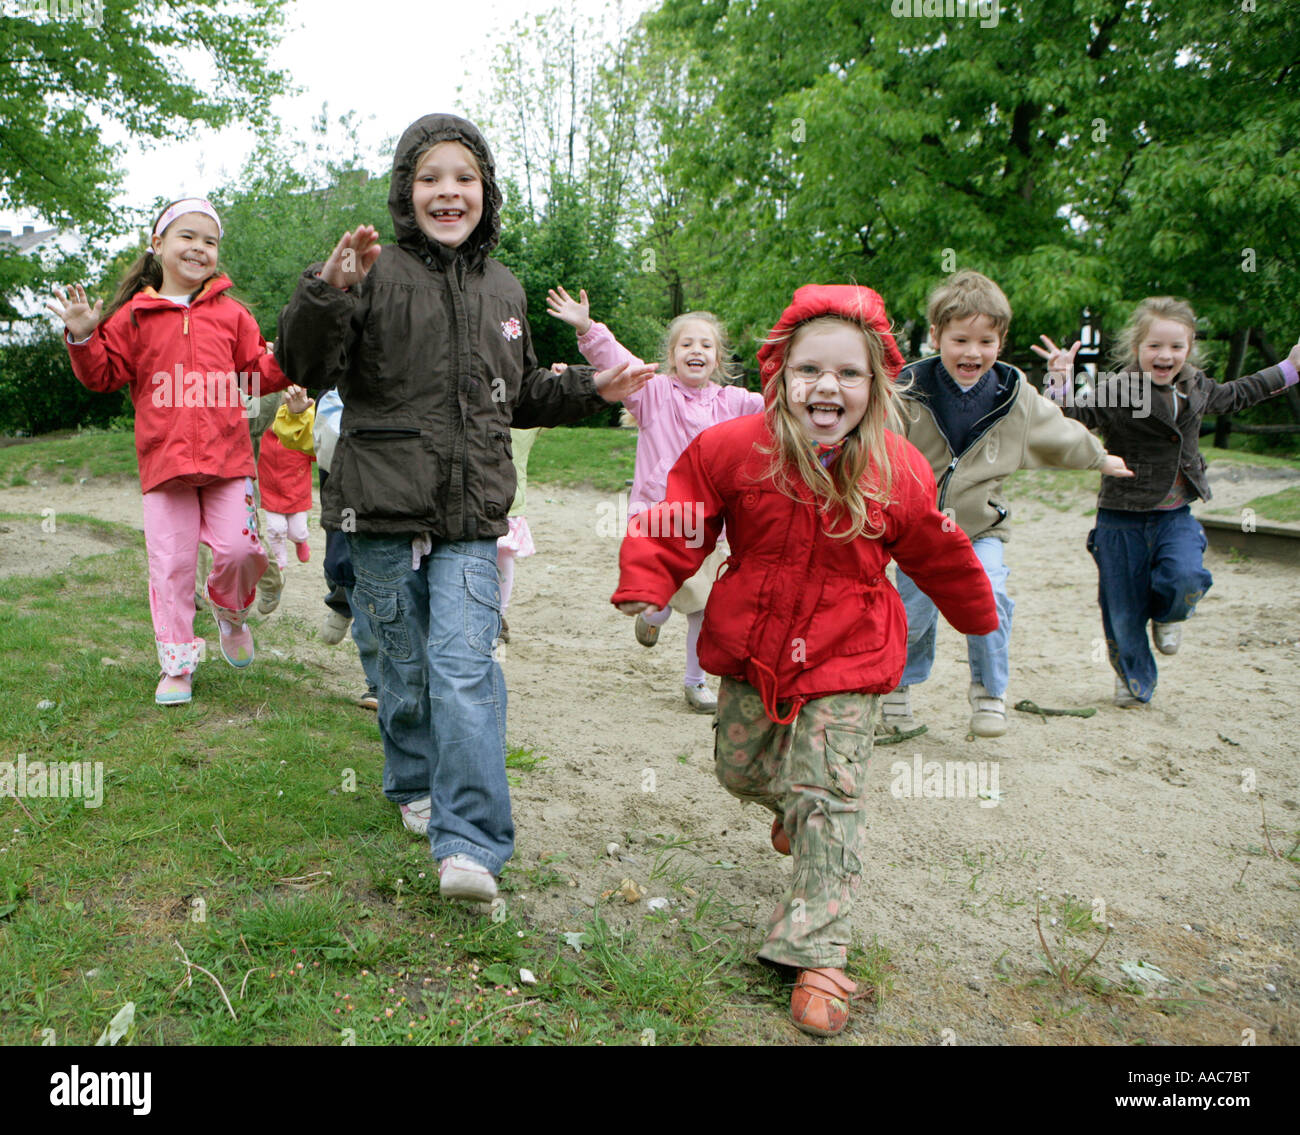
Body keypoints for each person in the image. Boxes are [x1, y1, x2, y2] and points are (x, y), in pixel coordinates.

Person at [276, 114, 653, 902]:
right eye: (430, 179)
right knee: (404, 669)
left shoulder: (505, 289)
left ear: (486, 191)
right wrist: (328, 290)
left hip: (474, 516)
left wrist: (594, 388)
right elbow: (305, 366)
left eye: (464, 178)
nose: (449, 191)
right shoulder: (371, 276)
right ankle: (412, 772)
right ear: (406, 194)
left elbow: (518, 396)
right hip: (378, 509)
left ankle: (470, 844)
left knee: (463, 668)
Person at [612, 284, 998, 1038]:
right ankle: (792, 809)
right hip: (754, 648)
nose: (828, 386)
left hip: (850, 651)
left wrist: (977, 615)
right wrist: (648, 579)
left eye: (849, 374)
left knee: (831, 792)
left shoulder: (899, 469)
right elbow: (682, 513)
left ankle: (819, 950)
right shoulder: (734, 448)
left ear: (876, 384)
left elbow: (939, 550)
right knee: (741, 767)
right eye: (810, 370)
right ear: (779, 377)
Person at [49, 197, 288, 706]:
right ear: (158, 245)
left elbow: (258, 371)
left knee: (242, 550)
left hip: (228, 462)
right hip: (165, 463)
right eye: (188, 236)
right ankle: (177, 665)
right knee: (172, 565)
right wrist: (83, 334)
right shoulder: (134, 317)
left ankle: (231, 613)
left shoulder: (233, 315)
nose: (200, 248)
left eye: (210, 241)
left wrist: (293, 356)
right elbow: (102, 375)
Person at [883, 270, 1132, 738]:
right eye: (959, 339)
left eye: (985, 341)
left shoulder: (1013, 393)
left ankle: (988, 692)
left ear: (1000, 341)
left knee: (989, 597)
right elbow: (878, 442)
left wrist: (1098, 457)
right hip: (918, 530)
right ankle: (898, 687)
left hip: (981, 527)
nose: (972, 352)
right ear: (936, 336)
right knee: (912, 614)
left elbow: (1055, 428)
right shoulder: (907, 388)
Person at [1034, 296, 1300, 706]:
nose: (1165, 355)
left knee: (1185, 578)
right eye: (1154, 346)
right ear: (1137, 348)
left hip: (1175, 513)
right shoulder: (1120, 390)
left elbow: (1240, 393)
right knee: (1122, 609)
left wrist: (1290, 367)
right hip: (1121, 516)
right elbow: (1068, 417)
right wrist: (1060, 380)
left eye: (1176, 347)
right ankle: (1133, 678)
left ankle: (1170, 613)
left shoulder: (1197, 386)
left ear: (1189, 349)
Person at [547, 286, 763, 712]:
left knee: (705, 606)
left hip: (710, 523)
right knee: (660, 598)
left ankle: (694, 681)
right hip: (658, 519)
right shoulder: (653, 393)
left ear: (718, 359)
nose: (695, 350)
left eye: (705, 345)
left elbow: (780, 408)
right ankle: (652, 615)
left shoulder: (737, 403)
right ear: (672, 355)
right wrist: (588, 328)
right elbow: (619, 363)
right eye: (686, 344)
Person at [271, 385, 381, 711]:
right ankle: (341, 599)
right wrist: (295, 413)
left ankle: (391, 681)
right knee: (344, 571)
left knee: (385, 606)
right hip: (347, 518)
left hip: (394, 516)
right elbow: (309, 440)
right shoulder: (332, 395)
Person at [257, 389, 315, 571]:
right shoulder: (262, 436)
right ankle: (279, 559)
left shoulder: (298, 434)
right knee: (276, 529)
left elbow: (314, 451)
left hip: (296, 491)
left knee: (297, 530)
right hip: (271, 491)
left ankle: (300, 541)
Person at [496, 427, 541, 643]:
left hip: (500, 501)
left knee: (498, 557)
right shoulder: (527, 420)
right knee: (503, 557)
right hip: (511, 499)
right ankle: (499, 615)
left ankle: (497, 616)